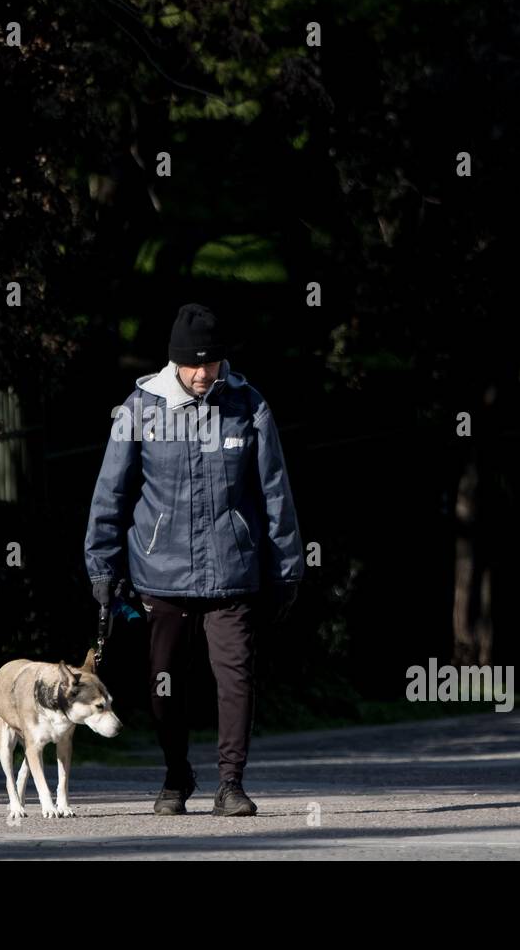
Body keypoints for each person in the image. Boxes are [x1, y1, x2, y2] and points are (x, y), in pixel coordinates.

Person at [84, 303, 304, 816]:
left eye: (212, 363)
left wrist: (287, 569)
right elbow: (110, 493)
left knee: (236, 679)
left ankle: (231, 784)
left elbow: (275, 492)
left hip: (233, 574)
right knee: (165, 683)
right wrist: (102, 566)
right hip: (161, 575)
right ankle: (176, 774)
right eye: (194, 365)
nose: (204, 374)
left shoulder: (249, 406)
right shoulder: (139, 410)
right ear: (174, 362)